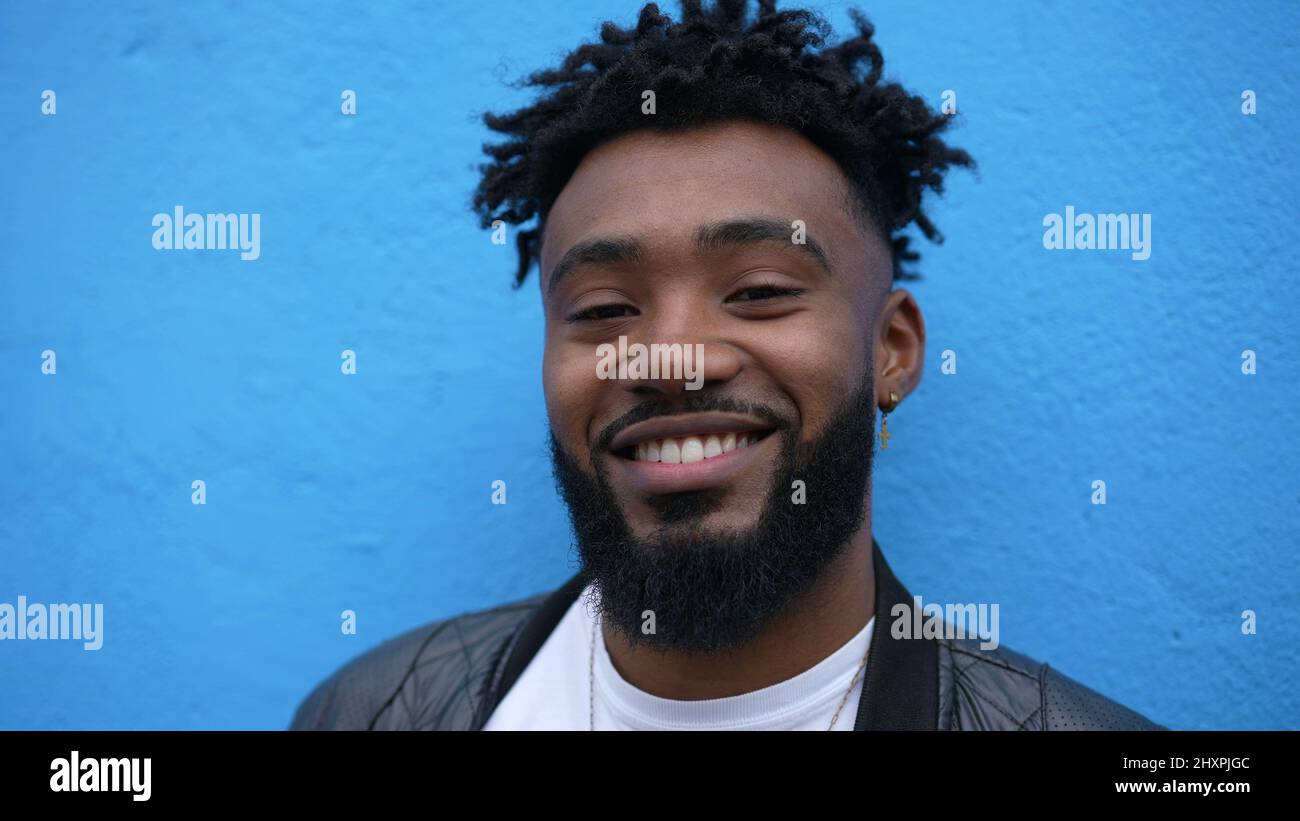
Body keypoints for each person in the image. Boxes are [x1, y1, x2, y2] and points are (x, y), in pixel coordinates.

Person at [291, 0, 1162, 731]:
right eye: (603, 310)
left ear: (891, 349)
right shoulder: (374, 711)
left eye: (758, 290)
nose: (672, 358)